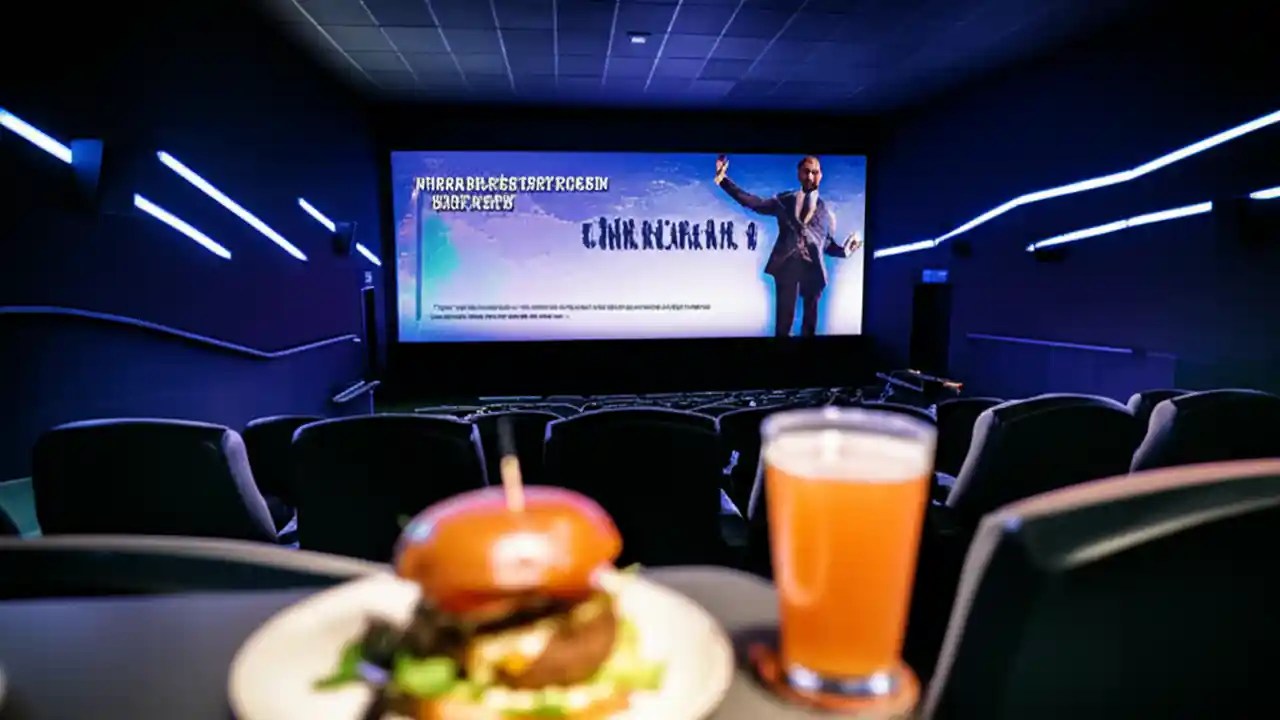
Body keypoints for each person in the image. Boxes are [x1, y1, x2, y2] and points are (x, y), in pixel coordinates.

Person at [715, 154, 862, 337]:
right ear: (799, 173)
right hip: (786, 267)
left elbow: (827, 246)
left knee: (810, 327)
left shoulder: (827, 214)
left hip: (813, 270)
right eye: (806, 172)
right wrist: (723, 180)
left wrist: (846, 251)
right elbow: (754, 203)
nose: (810, 177)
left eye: (814, 172)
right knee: (783, 326)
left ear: (820, 175)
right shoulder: (784, 201)